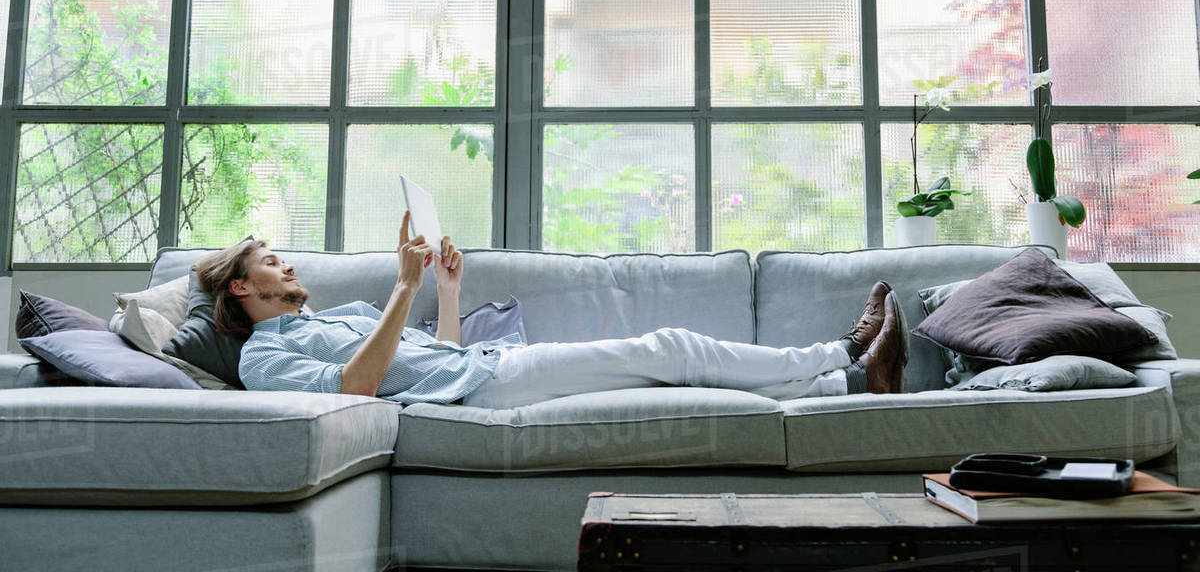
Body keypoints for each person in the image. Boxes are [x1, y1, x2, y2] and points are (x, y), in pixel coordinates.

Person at [195, 213, 909, 409]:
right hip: (486, 387)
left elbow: (432, 356)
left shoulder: (337, 316)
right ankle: (839, 353)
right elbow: (359, 387)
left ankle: (848, 385)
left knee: (673, 377)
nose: (286, 266)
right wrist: (403, 289)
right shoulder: (264, 358)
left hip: (474, 367)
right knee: (664, 347)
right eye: (271, 262)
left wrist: (444, 290)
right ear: (239, 287)